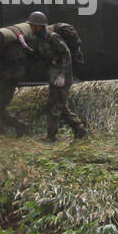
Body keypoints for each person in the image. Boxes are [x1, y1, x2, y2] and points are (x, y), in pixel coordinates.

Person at [30, 11, 87, 142]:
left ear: (39, 26)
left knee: (54, 107)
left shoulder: (52, 37)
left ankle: (52, 136)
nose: (31, 28)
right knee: (60, 106)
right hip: (54, 74)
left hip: (62, 75)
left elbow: (66, 55)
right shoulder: (40, 39)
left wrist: (62, 75)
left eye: (33, 25)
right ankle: (79, 129)